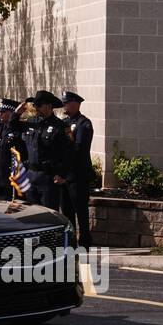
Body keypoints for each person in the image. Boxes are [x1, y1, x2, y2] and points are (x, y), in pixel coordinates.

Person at [61, 91, 95, 246]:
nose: (64, 105)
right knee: (67, 211)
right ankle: (71, 241)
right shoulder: (64, 122)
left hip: (78, 174)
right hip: (65, 175)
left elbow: (79, 148)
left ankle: (85, 241)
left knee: (80, 210)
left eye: (66, 103)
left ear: (75, 104)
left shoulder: (83, 123)